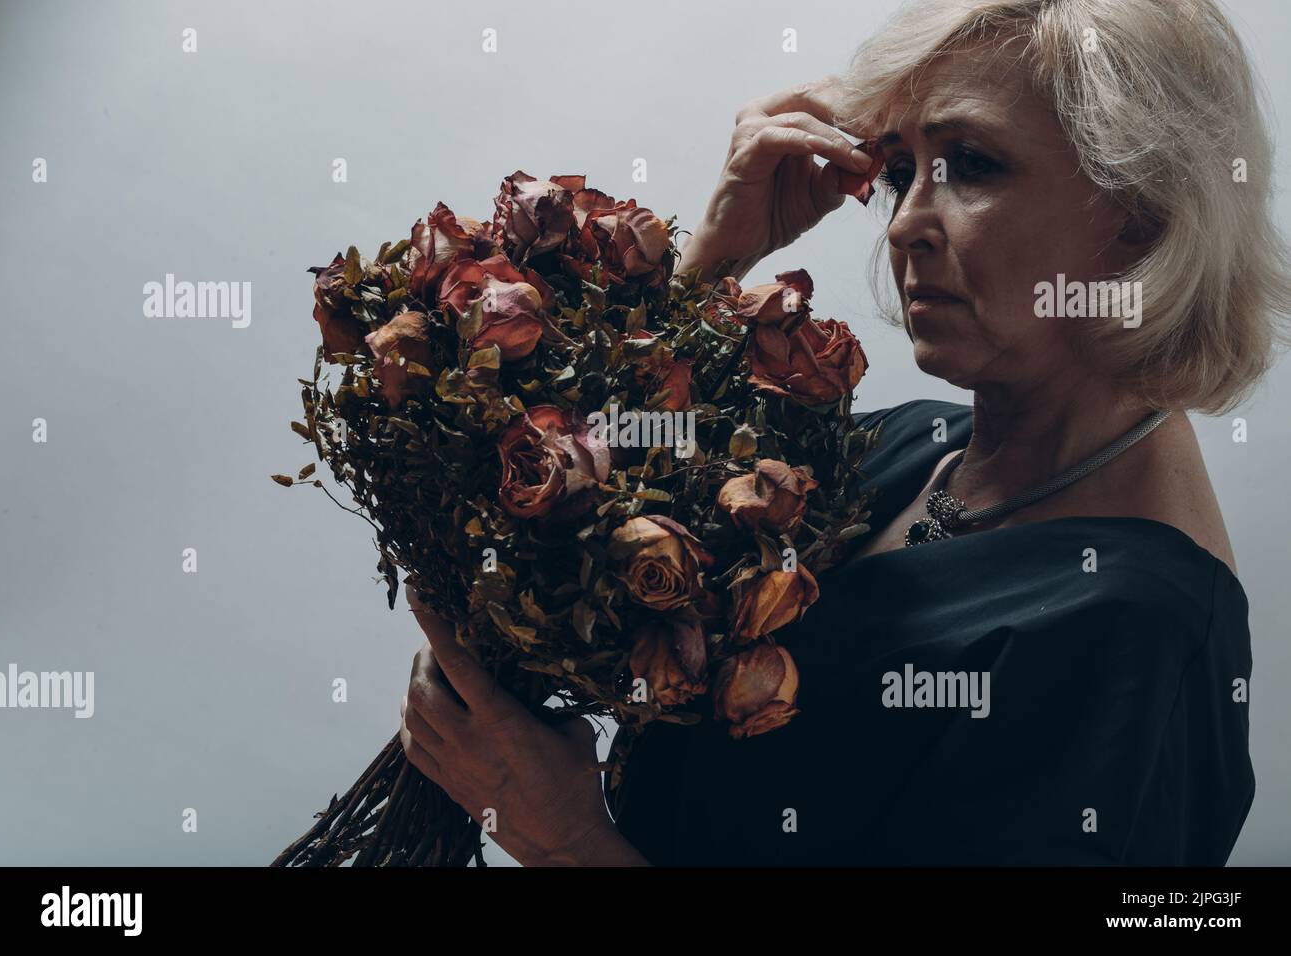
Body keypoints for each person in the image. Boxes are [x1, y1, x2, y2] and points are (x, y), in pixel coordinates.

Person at [398, 0, 1289, 865]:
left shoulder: (1135, 634)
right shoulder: (908, 447)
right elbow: (592, 486)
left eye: (972, 164)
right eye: (900, 171)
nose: (904, 223)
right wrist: (718, 254)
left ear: (1143, 211)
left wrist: (567, 847)